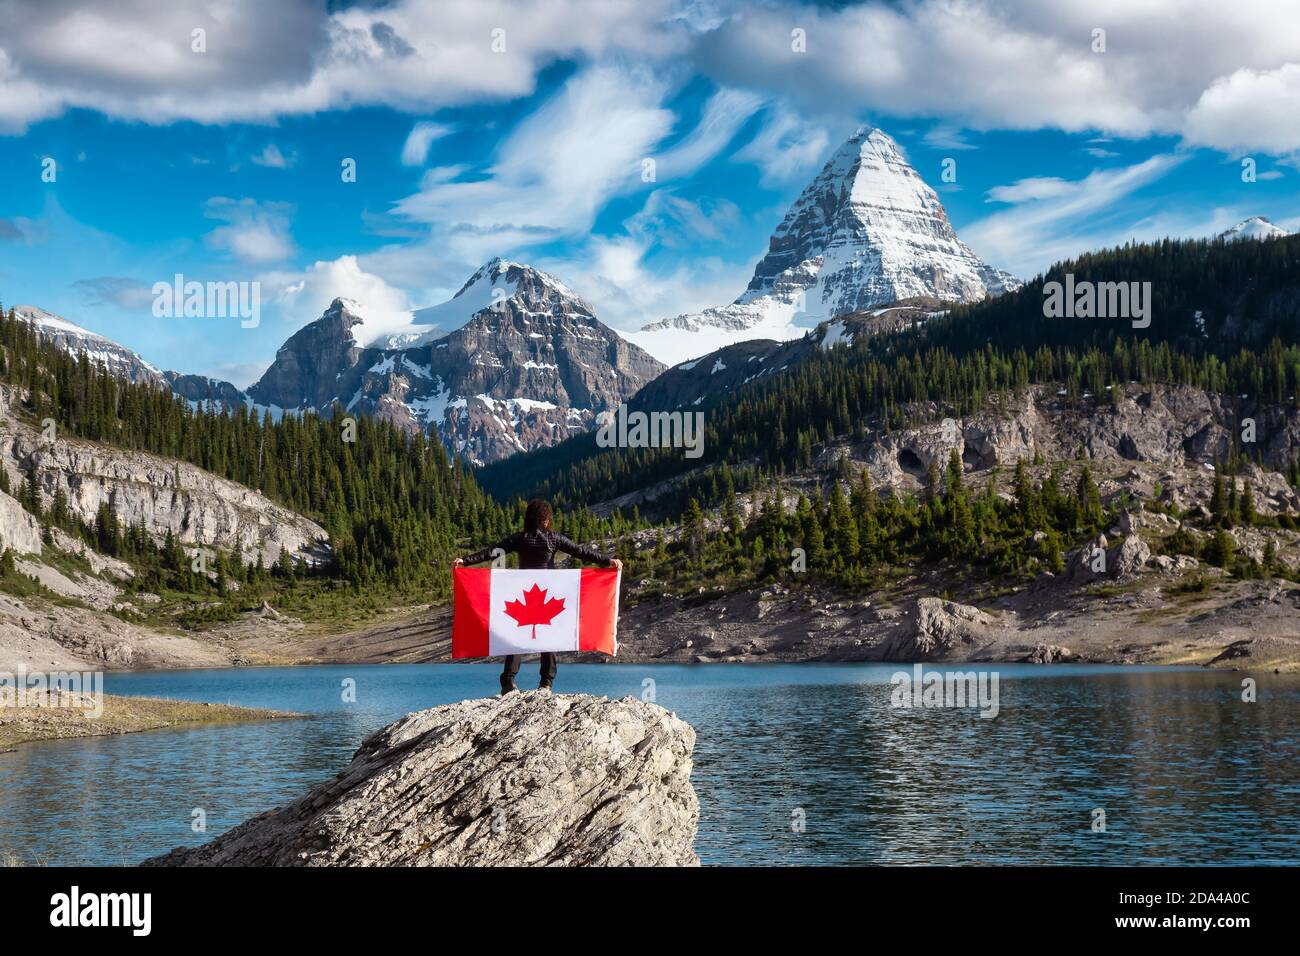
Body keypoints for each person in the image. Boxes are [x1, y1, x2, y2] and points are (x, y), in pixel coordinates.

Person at [454, 499, 621, 695]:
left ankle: (508, 680)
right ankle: (546, 683)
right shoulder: (554, 538)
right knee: (548, 636)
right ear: (546, 520)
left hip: (523, 593)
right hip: (547, 593)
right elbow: (581, 552)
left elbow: (493, 551)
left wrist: (466, 560)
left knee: (516, 635)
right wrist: (607, 561)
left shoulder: (520, 538)